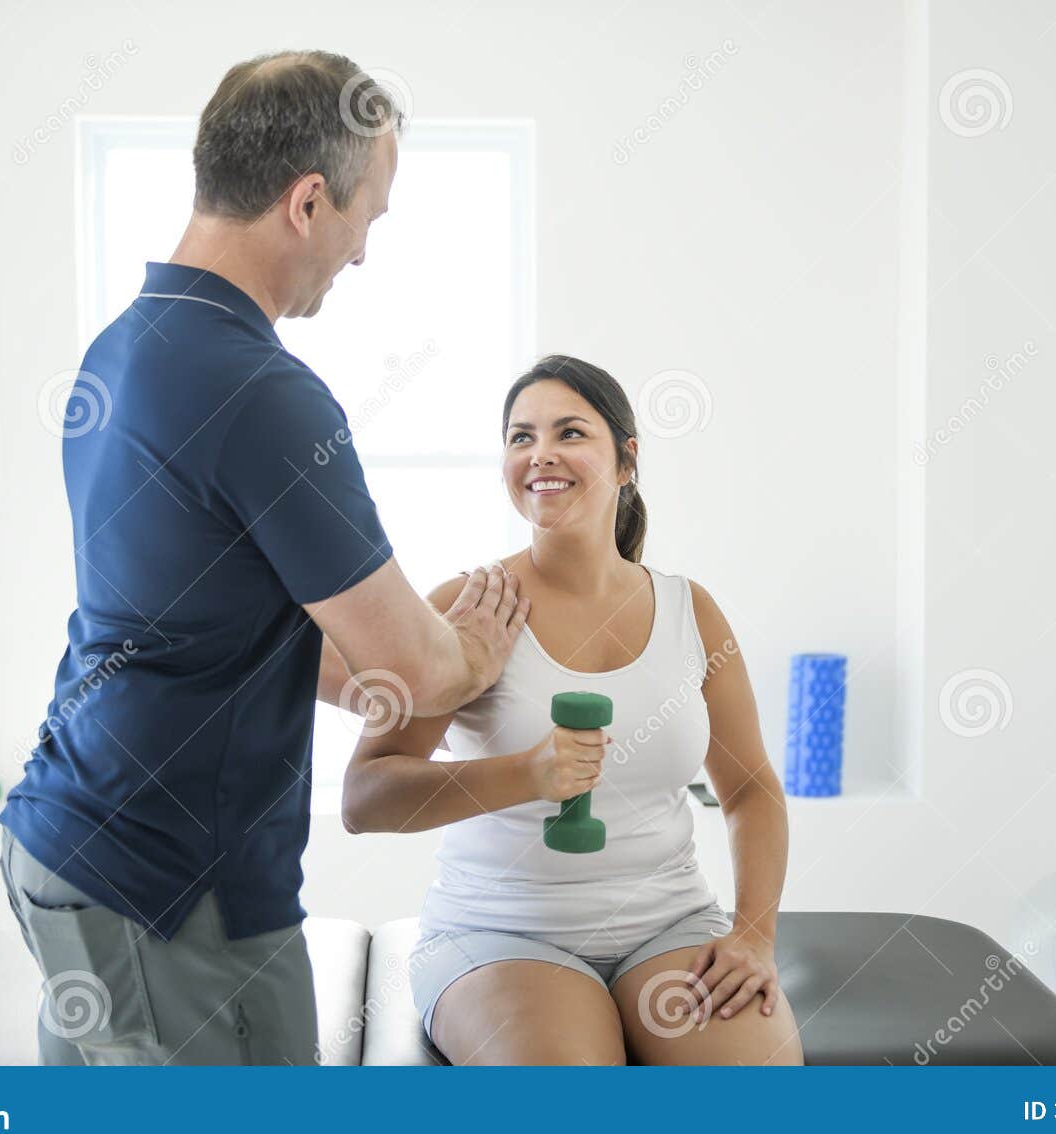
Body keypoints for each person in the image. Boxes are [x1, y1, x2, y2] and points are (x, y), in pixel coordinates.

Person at [0, 50, 528, 1066]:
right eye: (367, 217)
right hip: (155, 877)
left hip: (98, 841)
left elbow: (227, 625)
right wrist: (471, 655)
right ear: (308, 202)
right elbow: (419, 668)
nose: (363, 253)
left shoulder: (125, 350)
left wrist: (418, 673)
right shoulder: (261, 392)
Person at [343, 355, 805, 1065]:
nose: (540, 454)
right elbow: (366, 797)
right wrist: (526, 774)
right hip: (501, 934)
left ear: (626, 462)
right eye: (520, 436)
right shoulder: (470, 610)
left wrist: (753, 935)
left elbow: (750, 791)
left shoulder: (691, 612)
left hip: (670, 926)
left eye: (569, 433)